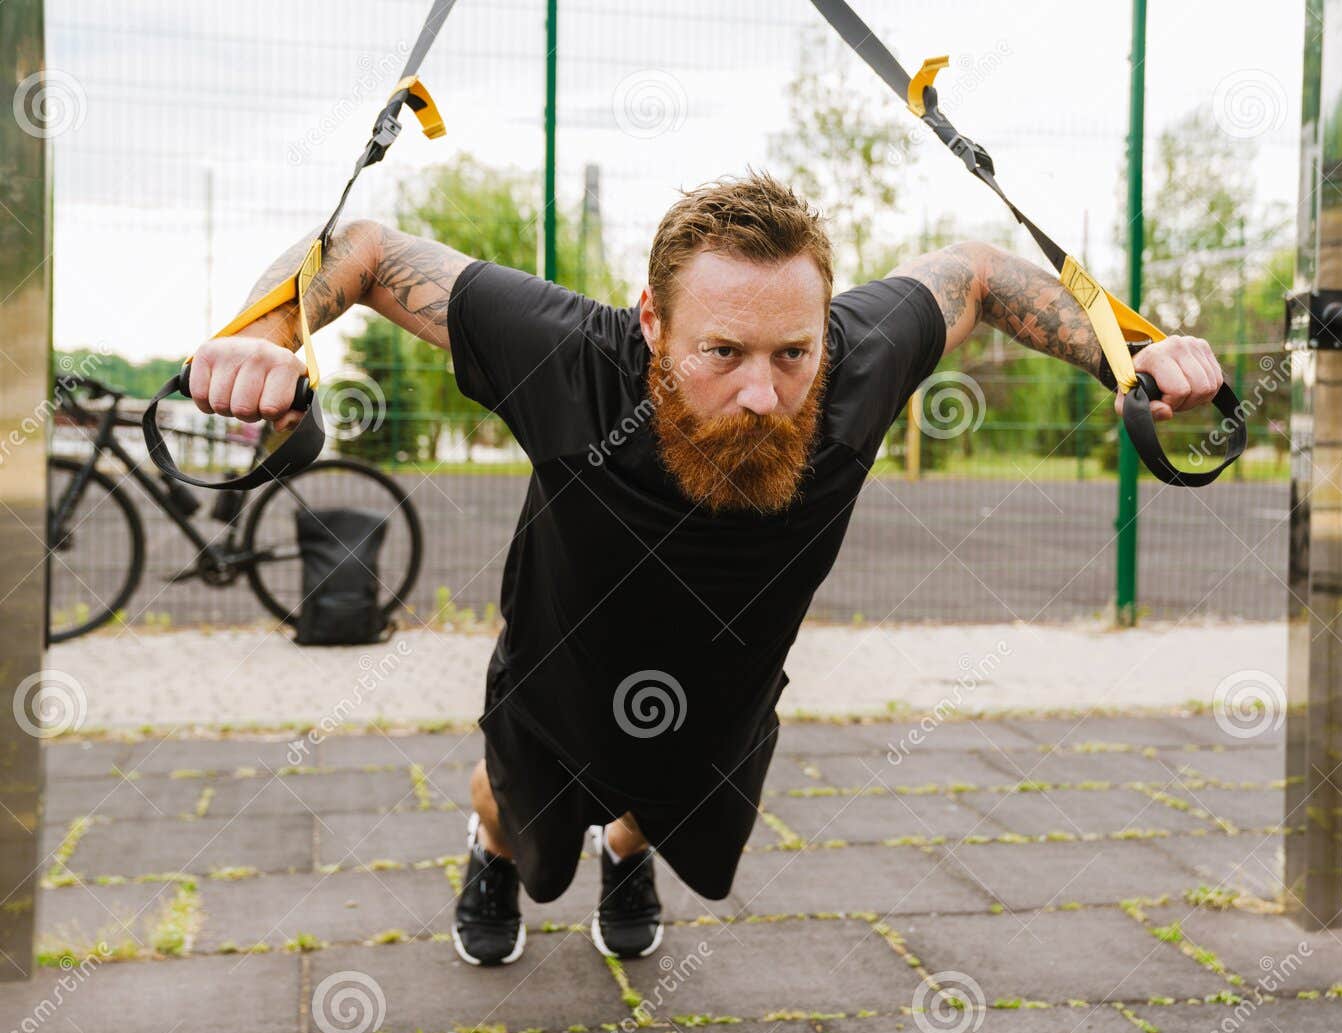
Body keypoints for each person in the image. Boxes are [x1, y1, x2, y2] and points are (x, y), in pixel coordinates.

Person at [181, 169, 1225, 966]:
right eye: (721, 351)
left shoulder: (856, 360)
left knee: (669, 820)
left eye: (793, 353)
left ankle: (628, 853)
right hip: (557, 682)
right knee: (526, 833)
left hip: (725, 691)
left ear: (827, 335)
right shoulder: (573, 358)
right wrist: (267, 334)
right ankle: (492, 850)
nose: (766, 393)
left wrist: (1124, 351)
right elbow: (361, 249)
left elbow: (980, 272)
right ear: (651, 324)